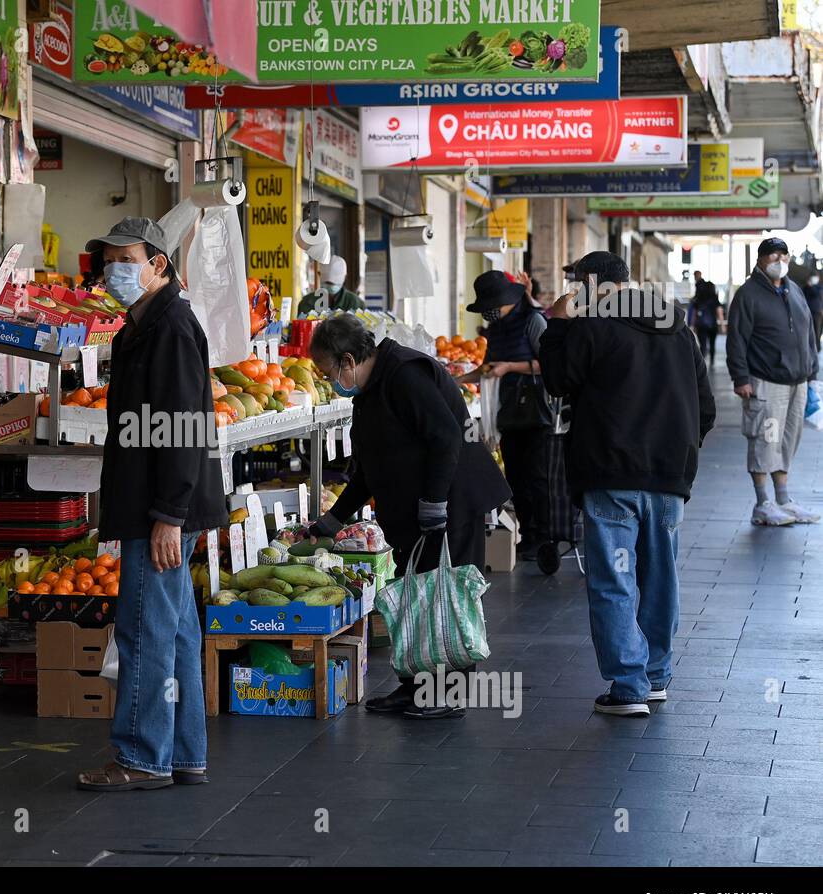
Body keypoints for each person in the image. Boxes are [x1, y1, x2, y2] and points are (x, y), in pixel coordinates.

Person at [77, 217, 227, 790]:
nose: (113, 270)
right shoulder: (140, 326)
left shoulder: (170, 327)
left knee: (143, 630)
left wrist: (169, 514)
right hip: (153, 503)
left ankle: (141, 758)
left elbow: (186, 426)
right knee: (179, 630)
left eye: (125, 259)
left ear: (157, 264)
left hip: (160, 510)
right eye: (107, 260)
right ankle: (184, 754)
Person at [307, 314, 510, 719]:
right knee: (417, 596)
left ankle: (448, 693)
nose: (329, 379)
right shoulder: (369, 390)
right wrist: (333, 521)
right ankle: (415, 686)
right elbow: (369, 470)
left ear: (347, 360)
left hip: (450, 500)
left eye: (327, 370)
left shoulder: (404, 374)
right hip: (415, 510)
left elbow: (446, 437)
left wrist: (434, 504)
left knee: (443, 596)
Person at [540, 252, 716, 718]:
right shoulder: (678, 329)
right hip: (668, 478)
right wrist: (678, 450)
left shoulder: (590, 326)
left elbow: (557, 382)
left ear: (593, 285)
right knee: (660, 578)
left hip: (610, 474)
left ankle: (628, 685)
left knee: (614, 580)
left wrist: (558, 324)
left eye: (577, 285)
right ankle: (655, 677)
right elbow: (707, 407)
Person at [725, 237, 820, 526]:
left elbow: (809, 334)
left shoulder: (794, 290)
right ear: (760, 260)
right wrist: (740, 377)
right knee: (766, 440)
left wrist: (813, 372)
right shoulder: (749, 294)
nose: (780, 262)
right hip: (765, 380)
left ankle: (783, 499)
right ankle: (762, 503)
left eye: (784, 256)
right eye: (773, 256)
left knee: (788, 440)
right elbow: (737, 339)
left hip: (798, 381)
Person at [457, 271, 551, 560]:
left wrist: (510, 367)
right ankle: (526, 535)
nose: (489, 312)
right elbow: (487, 367)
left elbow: (549, 363)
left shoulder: (533, 321)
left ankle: (543, 538)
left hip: (534, 411)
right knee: (515, 476)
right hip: (507, 411)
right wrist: (457, 379)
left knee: (536, 476)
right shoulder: (495, 329)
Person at [297, 255, 364, 314]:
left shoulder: (356, 304)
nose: (331, 287)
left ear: (345, 277)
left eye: (334, 283)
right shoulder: (307, 303)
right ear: (319, 275)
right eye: (327, 283)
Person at [688, 270, 723, 369]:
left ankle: (702, 364)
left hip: (702, 324)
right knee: (712, 344)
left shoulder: (699, 299)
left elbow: (695, 312)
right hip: (713, 324)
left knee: (703, 345)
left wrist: (693, 324)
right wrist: (722, 325)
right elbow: (719, 311)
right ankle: (712, 361)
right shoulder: (714, 298)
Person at [804, 273, 823, 350]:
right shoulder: (806, 287)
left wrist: (811, 286)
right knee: (806, 329)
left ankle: (817, 347)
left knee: (816, 330)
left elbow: (816, 294)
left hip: (817, 312)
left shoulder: (819, 287)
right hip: (806, 311)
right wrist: (808, 286)